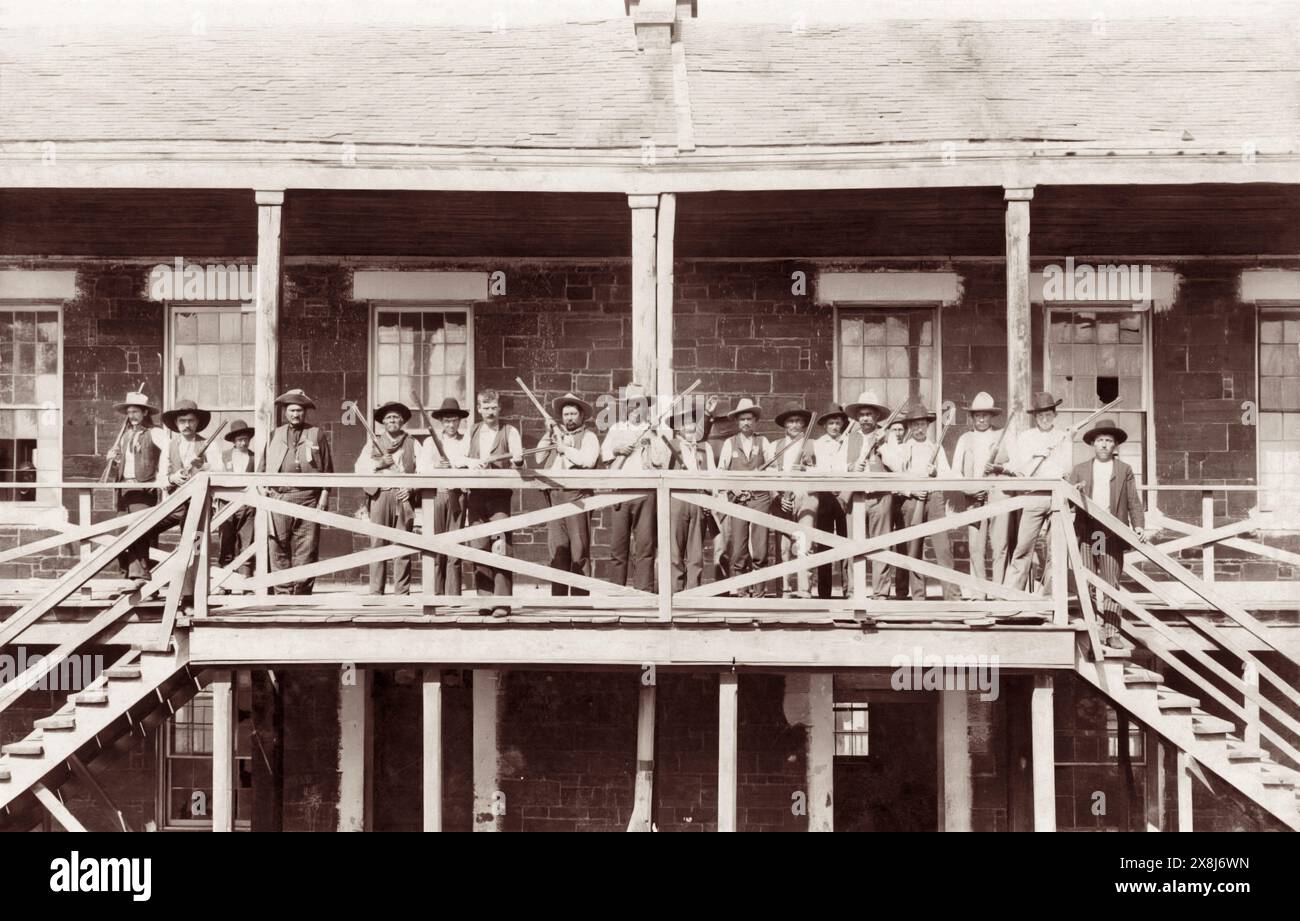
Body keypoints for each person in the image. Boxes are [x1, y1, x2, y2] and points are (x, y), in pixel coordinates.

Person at [1069, 418, 1148, 647]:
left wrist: (1139, 525)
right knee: (1089, 581)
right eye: (1100, 440)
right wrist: (1073, 492)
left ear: (1114, 446)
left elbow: (1133, 500)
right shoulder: (1081, 469)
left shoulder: (1124, 470)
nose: (1104, 445)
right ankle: (1092, 630)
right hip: (1089, 532)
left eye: (1108, 441)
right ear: (1093, 444)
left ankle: (1112, 632)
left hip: (1110, 532)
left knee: (1110, 580)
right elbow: (1067, 499)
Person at [881, 398, 959, 601]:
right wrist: (911, 492)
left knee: (943, 548)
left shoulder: (936, 448)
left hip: (935, 499)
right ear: (909, 427)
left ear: (927, 426)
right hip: (911, 502)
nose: (919, 429)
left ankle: (953, 597)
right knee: (913, 550)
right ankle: (918, 598)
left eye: (922, 424)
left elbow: (948, 475)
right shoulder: (902, 449)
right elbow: (895, 478)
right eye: (914, 425)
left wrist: (936, 474)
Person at [996, 391, 1074, 593]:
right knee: (1023, 547)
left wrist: (1070, 441)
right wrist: (1035, 455)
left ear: (1054, 415)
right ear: (1035, 417)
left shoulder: (1063, 437)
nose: (1045, 419)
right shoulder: (1026, 438)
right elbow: (1019, 469)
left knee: (1055, 550)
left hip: (1057, 495)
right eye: (1040, 415)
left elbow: (1067, 469)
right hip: (1034, 495)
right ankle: (1011, 595)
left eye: (1048, 414)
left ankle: (1050, 597)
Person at [257, 388, 333, 595]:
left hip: (308, 497)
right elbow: (261, 469)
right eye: (291, 410)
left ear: (305, 412)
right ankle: (282, 592)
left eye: (299, 410)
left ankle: (301, 592)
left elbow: (328, 469)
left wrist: (324, 497)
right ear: (285, 412)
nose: (295, 414)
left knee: (306, 547)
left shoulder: (316, 434)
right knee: (278, 545)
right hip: (279, 497)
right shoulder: (274, 435)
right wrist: (263, 489)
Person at [601, 383, 670, 591]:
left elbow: (663, 461)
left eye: (640, 405)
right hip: (621, 493)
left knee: (645, 546)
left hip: (646, 493)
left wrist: (654, 437)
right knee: (618, 546)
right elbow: (605, 456)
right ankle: (617, 593)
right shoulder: (616, 429)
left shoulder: (652, 431)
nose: (635, 410)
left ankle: (644, 593)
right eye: (632, 405)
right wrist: (618, 450)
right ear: (627, 408)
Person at [463, 389, 524, 616]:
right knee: (479, 546)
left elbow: (518, 461)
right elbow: (459, 456)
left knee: (500, 546)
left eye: (493, 408)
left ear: (499, 409)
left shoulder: (510, 431)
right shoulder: (472, 431)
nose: (489, 412)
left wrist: (517, 460)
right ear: (479, 409)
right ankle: (485, 600)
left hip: (499, 497)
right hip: (476, 496)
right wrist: (472, 463)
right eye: (485, 408)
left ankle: (502, 602)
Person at [536, 392, 600, 596]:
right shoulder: (555, 436)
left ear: (582, 416)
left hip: (577, 496)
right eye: (566, 414)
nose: (569, 418)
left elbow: (588, 461)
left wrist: (566, 449)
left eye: (573, 413)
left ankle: (581, 601)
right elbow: (538, 458)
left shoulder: (589, 436)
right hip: (554, 496)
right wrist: (549, 435)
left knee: (579, 550)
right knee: (557, 549)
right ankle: (559, 599)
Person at [354, 401, 418, 596]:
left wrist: (411, 489)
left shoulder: (413, 442)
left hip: (402, 496)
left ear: (402, 421)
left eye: (396, 417)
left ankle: (402, 592)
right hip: (380, 495)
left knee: (403, 544)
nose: (392, 420)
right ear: (383, 421)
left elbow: (423, 470)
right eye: (389, 417)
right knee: (378, 543)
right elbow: (359, 469)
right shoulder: (372, 443)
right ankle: (376, 592)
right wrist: (380, 464)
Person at [104, 390, 166, 587]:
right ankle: (126, 578)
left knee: (140, 532)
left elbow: (170, 454)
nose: (131, 416)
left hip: (144, 490)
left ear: (145, 413)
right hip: (124, 489)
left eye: (136, 412)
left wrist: (162, 480)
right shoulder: (125, 436)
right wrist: (114, 459)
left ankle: (141, 578)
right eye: (129, 412)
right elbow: (123, 464)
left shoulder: (155, 433)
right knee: (122, 534)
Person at [949, 392, 1009, 596]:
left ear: (991, 417)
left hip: (998, 495)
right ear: (972, 417)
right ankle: (980, 591)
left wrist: (999, 470)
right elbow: (955, 471)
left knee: (999, 545)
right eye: (977, 415)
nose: (981, 419)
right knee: (976, 547)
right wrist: (971, 489)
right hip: (973, 496)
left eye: (985, 415)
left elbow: (1014, 465)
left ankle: (998, 592)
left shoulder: (1002, 436)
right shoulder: (965, 439)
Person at [716, 397, 775, 597]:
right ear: (737, 422)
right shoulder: (729, 443)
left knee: (760, 546)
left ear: (755, 420)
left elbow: (773, 469)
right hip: (738, 500)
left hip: (760, 499)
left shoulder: (763, 441)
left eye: (749, 419)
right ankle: (742, 591)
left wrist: (763, 475)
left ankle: (759, 592)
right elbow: (721, 472)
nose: (746, 423)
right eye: (742, 419)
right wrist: (733, 488)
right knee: (739, 547)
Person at [844, 390, 898, 600]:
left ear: (877, 417)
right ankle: (853, 592)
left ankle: (881, 593)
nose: (865, 418)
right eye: (862, 414)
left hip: (880, 497)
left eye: (870, 414)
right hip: (856, 497)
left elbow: (897, 465)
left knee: (881, 546)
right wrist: (851, 467)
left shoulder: (888, 437)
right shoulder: (849, 439)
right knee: (853, 546)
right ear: (857, 417)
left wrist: (883, 446)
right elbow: (837, 466)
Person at [416, 397, 470, 598]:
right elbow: (420, 469)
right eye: (447, 421)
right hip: (437, 496)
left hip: (458, 495)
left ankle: (453, 595)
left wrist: (455, 468)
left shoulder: (466, 441)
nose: (451, 425)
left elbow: (469, 465)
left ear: (459, 421)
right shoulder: (431, 442)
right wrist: (436, 467)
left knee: (454, 546)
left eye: (454, 420)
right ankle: (435, 594)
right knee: (435, 545)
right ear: (441, 422)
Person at [662, 401, 718, 592]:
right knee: (674, 550)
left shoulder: (705, 447)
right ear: (678, 427)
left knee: (696, 552)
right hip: (676, 499)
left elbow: (712, 476)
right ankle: (674, 592)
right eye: (684, 422)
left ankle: (693, 592)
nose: (689, 426)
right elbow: (658, 466)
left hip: (698, 499)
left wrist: (710, 499)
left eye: (692, 421)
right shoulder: (670, 446)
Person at [769, 402, 815, 598]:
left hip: (805, 497)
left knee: (805, 544)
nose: (795, 425)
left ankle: (804, 589)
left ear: (804, 424)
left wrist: (807, 469)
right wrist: (778, 497)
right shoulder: (775, 446)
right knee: (784, 547)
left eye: (798, 421)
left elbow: (824, 471)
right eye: (791, 421)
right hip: (783, 500)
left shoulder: (814, 444)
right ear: (785, 425)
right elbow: (769, 476)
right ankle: (785, 589)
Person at [217, 419, 257, 591]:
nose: (243, 442)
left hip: (247, 504)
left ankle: (245, 583)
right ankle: (223, 583)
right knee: (226, 541)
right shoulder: (223, 456)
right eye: (239, 439)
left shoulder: (254, 457)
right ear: (233, 441)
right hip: (226, 503)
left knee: (247, 542)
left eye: (246, 439)